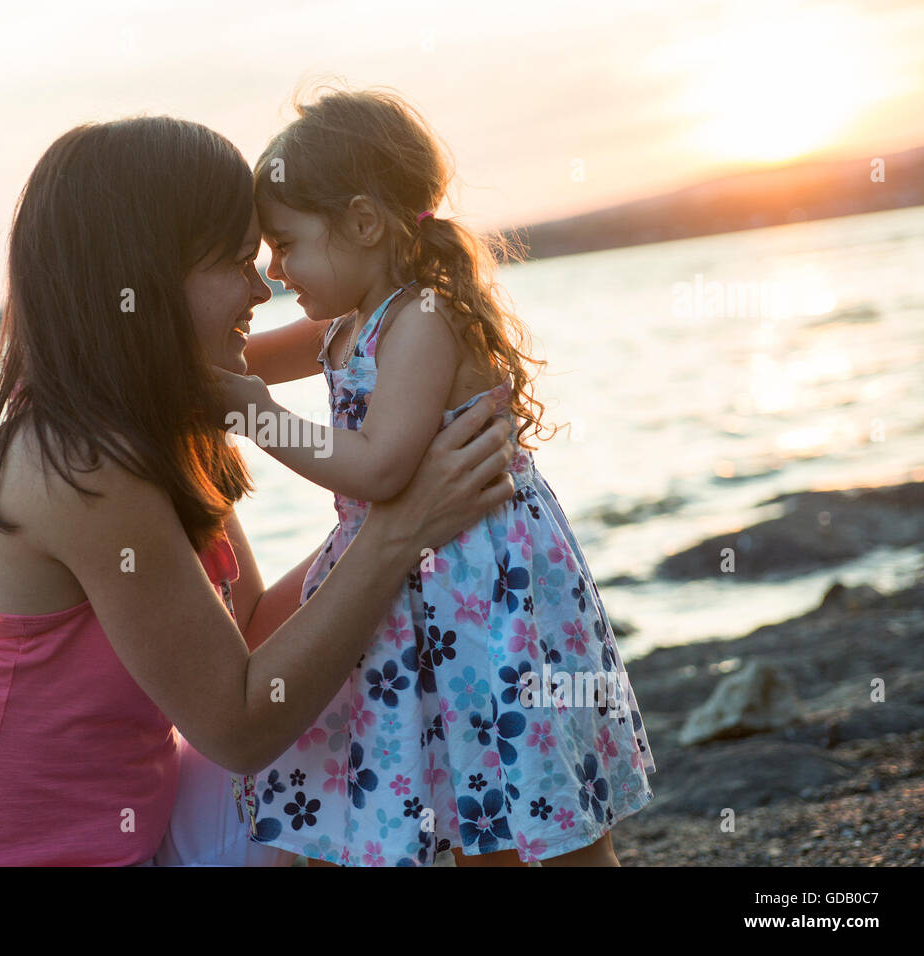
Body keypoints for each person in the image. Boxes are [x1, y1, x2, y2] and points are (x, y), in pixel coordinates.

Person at [0, 115, 518, 867]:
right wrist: (401, 529)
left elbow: (245, 625)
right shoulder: (80, 464)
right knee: (339, 711)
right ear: (145, 279)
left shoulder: (150, 412)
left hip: (142, 834)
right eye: (236, 261)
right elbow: (240, 727)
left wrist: (404, 499)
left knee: (370, 665)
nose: (263, 287)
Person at [213, 86, 656, 867]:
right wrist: (165, 366)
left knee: (529, 810)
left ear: (360, 221)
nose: (275, 269)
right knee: (456, 801)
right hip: (422, 599)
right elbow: (235, 364)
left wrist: (251, 416)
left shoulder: (420, 320)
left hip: (483, 595)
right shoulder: (347, 322)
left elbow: (382, 467)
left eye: (284, 243)